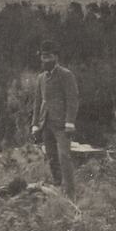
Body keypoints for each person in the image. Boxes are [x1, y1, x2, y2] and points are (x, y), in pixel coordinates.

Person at [31, 40, 80, 198]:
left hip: (62, 125)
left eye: (48, 56)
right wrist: (35, 124)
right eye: (43, 57)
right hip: (45, 123)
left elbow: (72, 99)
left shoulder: (66, 75)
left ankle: (71, 194)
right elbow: (37, 102)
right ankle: (58, 186)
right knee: (51, 157)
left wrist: (70, 122)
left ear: (56, 57)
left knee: (64, 157)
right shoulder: (41, 78)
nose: (45, 60)